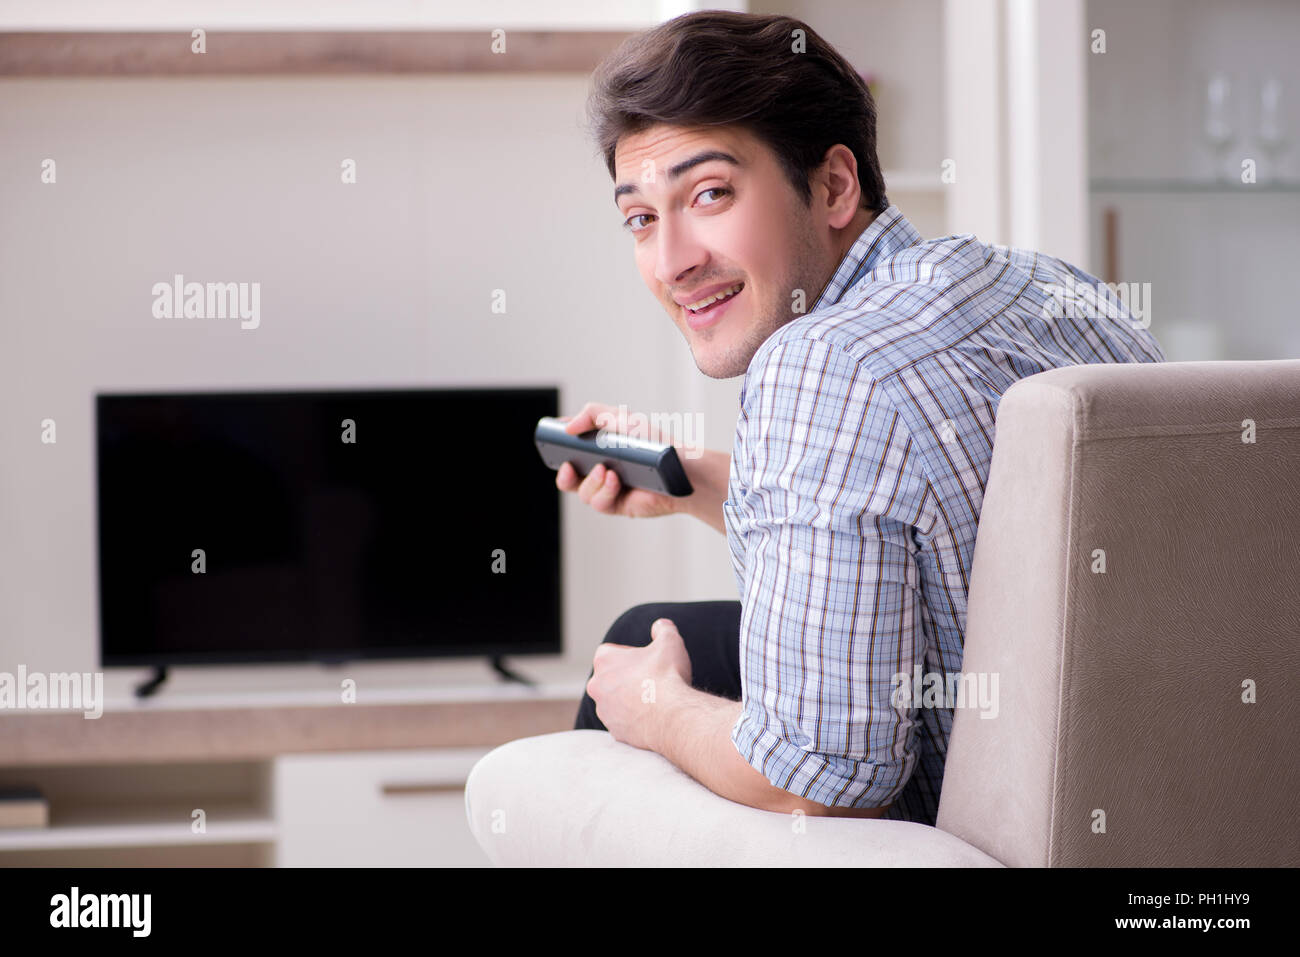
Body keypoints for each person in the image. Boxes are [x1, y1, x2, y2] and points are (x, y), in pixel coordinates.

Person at [560, 10, 1164, 827]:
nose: (673, 262)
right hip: (1157, 803)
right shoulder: (1053, 289)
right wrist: (693, 479)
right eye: (641, 218)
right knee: (658, 628)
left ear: (835, 185)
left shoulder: (819, 361)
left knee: (636, 657)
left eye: (709, 194)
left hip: (975, 809)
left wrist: (656, 705)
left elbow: (822, 776)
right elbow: (949, 518)